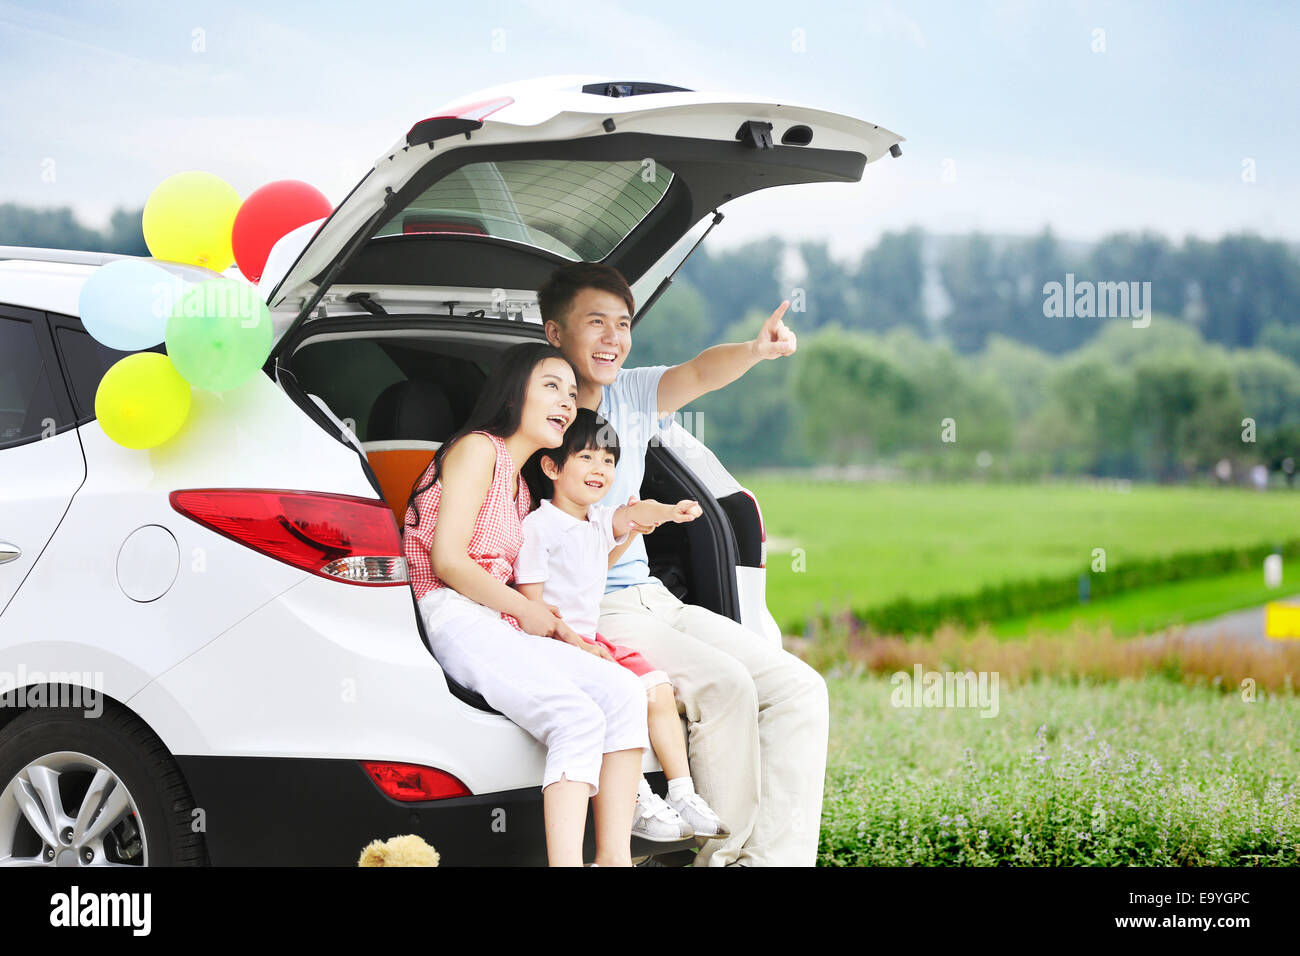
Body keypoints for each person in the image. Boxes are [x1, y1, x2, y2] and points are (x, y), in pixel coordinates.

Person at [537, 261, 830, 867]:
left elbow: (699, 371)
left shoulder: (634, 393)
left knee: (801, 688)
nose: (614, 337)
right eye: (596, 322)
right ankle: (723, 857)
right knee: (726, 685)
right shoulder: (538, 413)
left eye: (623, 323)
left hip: (652, 595)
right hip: (596, 606)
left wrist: (753, 350)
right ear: (555, 333)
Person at [402, 342, 647, 867]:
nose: (566, 402)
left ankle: (615, 859)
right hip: (453, 611)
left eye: (571, 392)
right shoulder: (478, 449)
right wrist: (527, 612)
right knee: (577, 717)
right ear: (515, 393)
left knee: (625, 692)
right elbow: (448, 561)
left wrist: (575, 641)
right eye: (551, 386)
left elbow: (532, 600)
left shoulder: (518, 488)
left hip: (497, 620)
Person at [514, 407, 732, 845]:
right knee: (623, 697)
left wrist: (669, 512)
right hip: (555, 643)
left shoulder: (597, 519)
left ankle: (683, 793)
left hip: (589, 639)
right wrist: (576, 644)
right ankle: (633, 798)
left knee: (659, 689)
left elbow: (632, 516)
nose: (600, 469)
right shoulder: (539, 528)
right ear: (552, 466)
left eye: (609, 461)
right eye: (587, 458)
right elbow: (531, 609)